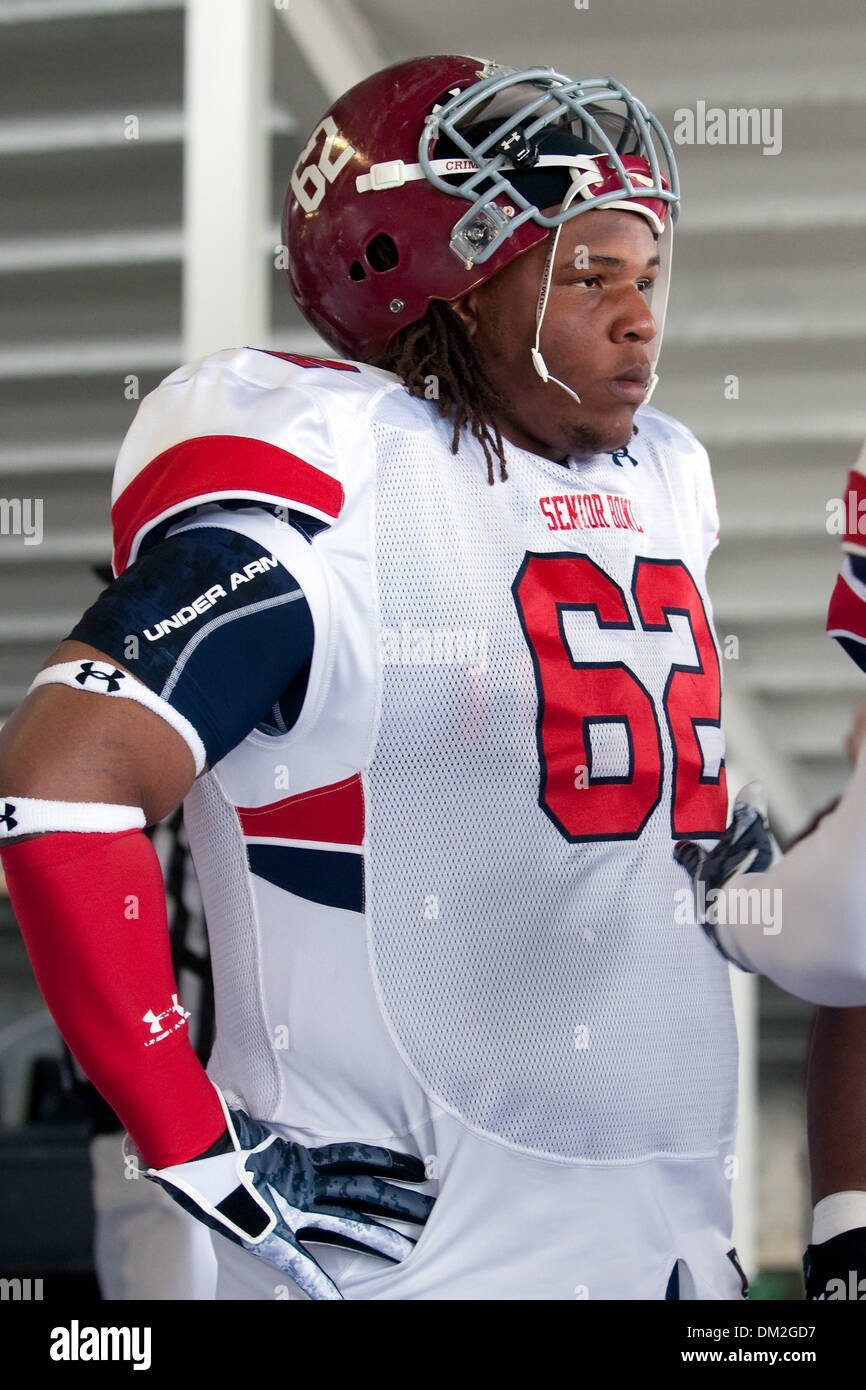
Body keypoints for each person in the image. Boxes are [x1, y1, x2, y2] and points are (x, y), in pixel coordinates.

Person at [0, 54, 803, 1301]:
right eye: (587, 273)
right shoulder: (339, 486)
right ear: (438, 282)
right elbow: (59, 793)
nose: (642, 316)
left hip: (669, 1248)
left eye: (645, 274)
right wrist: (191, 1138)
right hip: (417, 1268)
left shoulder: (656, 487)